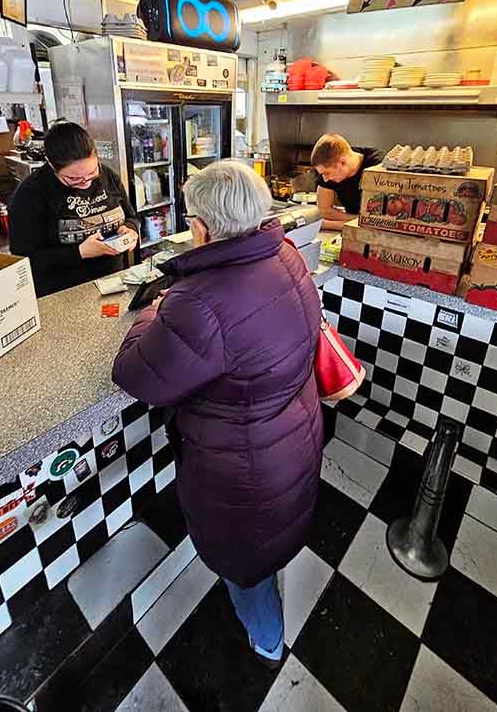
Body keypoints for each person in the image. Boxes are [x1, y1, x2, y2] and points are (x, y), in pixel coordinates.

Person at [113, 161, 322, 668]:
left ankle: (267, 641)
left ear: (202, 226)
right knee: (267, 541)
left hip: (242, 466)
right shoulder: (285, 254)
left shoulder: (198, 300)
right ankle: (266, 610)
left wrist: (152, 312)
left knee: (244, 562)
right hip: (293, 434)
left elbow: (136, 374)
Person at [9, 120, 138, 297]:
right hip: (63, 292)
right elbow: (23, 260)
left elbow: (131, 216)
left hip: (113, 281)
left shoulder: (108, 176)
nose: (86, 183)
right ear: (51, 165)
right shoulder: (30, 194)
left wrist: (130, 229)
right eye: (74, 178)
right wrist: (79, 253)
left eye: (92, 173)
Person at [312, 133, 382, 230]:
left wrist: (327, 224)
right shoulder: (327, 165)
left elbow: (380, 222)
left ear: (342, 162)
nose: (325, 179)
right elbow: (324, 210)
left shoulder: (377, 167)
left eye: (327, 173)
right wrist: (360, 220)